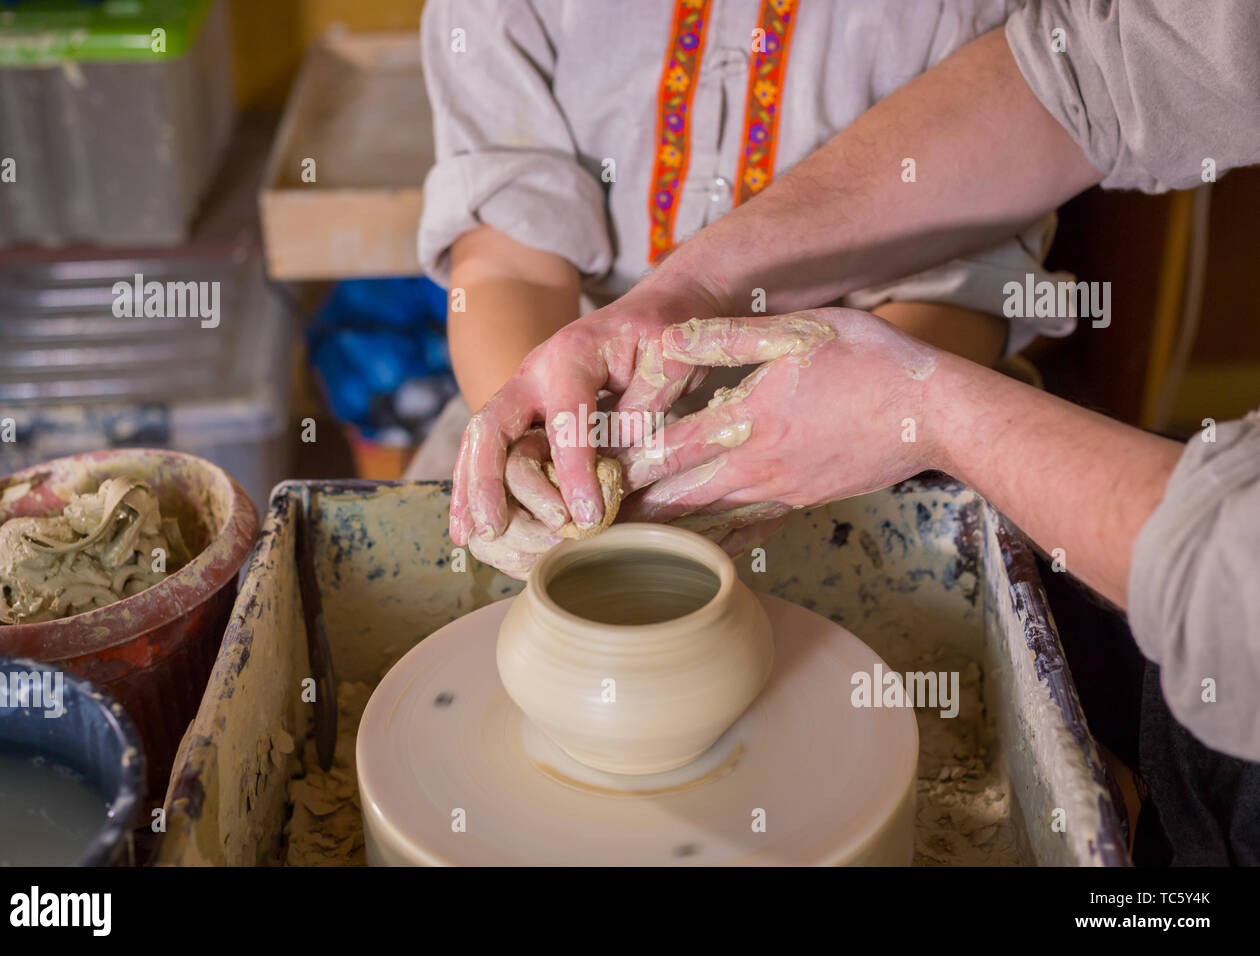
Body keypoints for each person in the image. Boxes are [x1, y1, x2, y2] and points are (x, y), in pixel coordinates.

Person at [451, 0, 1260, 862]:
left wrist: (919, 407)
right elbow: (1086, 75)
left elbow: (1226, 585)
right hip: (734, 415)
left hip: (903, 430)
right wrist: (682, 295)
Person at [412, 0, 1079, 562]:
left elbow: (961, 285)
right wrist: (545, 444)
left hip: (882, 389)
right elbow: (509, 258)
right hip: (556, 373)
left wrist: (856, 422)